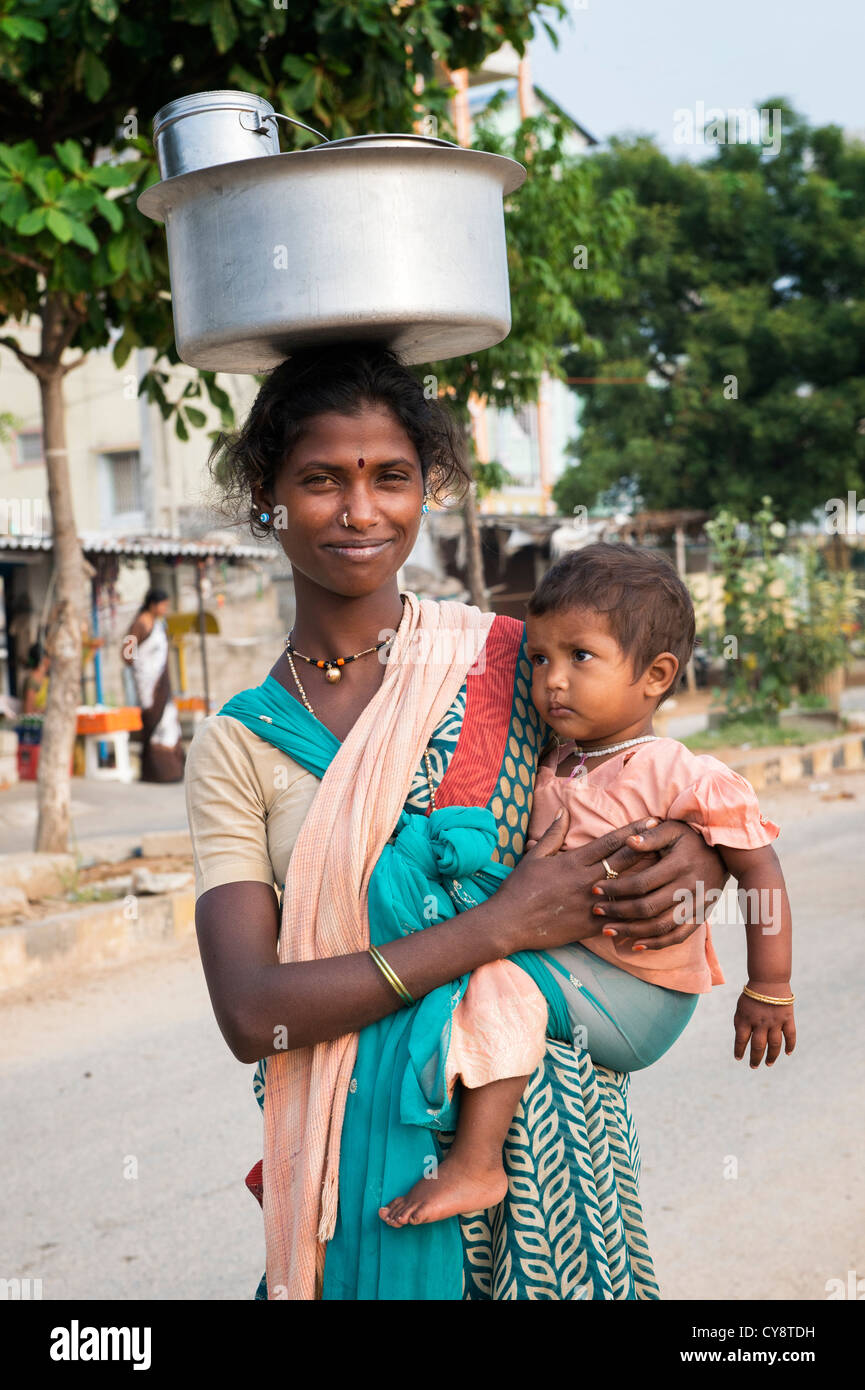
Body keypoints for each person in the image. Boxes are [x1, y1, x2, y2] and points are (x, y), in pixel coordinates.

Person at [184, 342, 727, 1302]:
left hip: (548, 1148)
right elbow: (252, 1013)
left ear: (424, 489)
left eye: (390, 477)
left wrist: (697, 860)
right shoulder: (238, 747)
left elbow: (658, 781)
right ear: (267, 498)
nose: (360, 511)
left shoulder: (515, 662)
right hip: (351, 1155)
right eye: (319, 480)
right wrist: (495, 927)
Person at [380, 543, 795, 1228]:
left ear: (656, 675)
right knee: (468, 967)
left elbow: (760, 867)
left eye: (580, 657)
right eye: (539, 659)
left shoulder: (673, 770)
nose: (551, 681)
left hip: (640, 994)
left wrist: (769, 985)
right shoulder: (554, 761)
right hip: (579, 971)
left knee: (493, 977)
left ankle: (477, 1165)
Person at [123, 587, 185, 782]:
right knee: (158, 724)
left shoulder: (158, 624)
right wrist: (139, 667)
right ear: (153, 604)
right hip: (148, 684)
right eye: (163, 605)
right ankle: (157, 771)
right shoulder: (140, 624)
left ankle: (171, 769)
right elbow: (127, 652)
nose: (165, 608)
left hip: (161, 682)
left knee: (169, 721)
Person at [22, 642, 50, 714]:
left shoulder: (46, 678)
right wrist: (46, 710)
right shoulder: (32, 681)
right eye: (48, 657)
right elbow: (28, 711)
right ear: (43, 659)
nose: (50, 660)